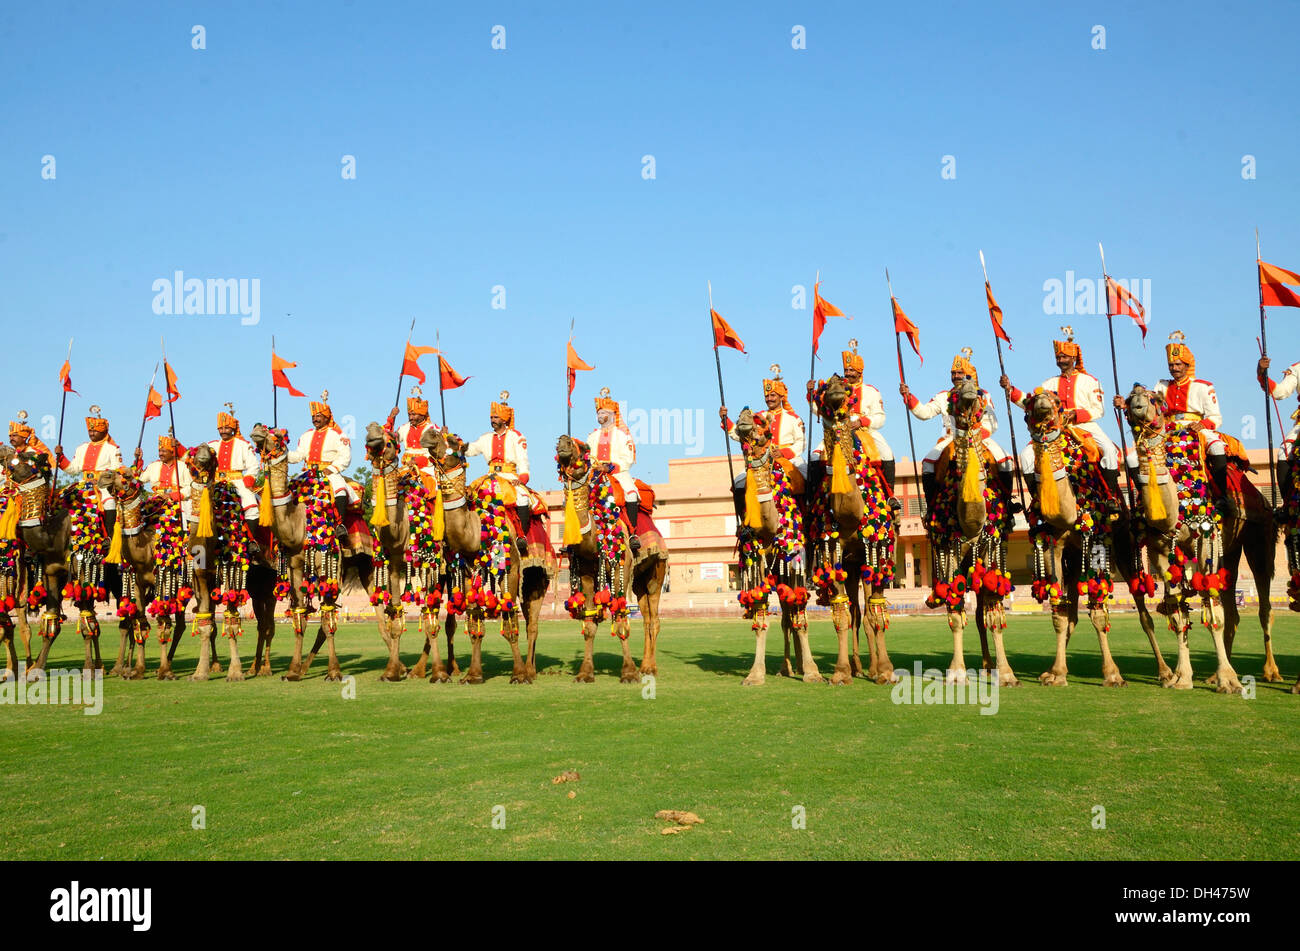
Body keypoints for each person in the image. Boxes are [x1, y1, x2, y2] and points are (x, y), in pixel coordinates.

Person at [1000, 327, 1122, 506]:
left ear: (1073, 358)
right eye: (1058, 357)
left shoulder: (1090, 381)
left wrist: (1075, 414)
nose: (1061, 360)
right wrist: (1010, 389)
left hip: (1085, 426)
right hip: (1054, 429)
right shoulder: (1049, 383)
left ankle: (1111, 497)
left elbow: (1098, 409)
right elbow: (1030, 403)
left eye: (1064, 357)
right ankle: (1037, 500)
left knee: (1110, 451)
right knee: (1026, 456)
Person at [899, 349, 1014, 511]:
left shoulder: (983, 395)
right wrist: (909, 397)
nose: (956, 377)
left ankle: (1007, 502)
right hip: (950, 439)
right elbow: (925, 413)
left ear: (968, 375)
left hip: (979, 437)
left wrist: (976, 435)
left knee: (1005, 460)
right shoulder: (943, 396)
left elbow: (992, 422)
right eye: (953, 373)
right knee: (927, 464)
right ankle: (931, 506)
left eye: (960, 373)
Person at [719, 363, 806, 519]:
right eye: (766, 396)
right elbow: (742, 436)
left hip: (789, 458)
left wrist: (783, 453)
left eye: (772, 395)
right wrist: (726, 420)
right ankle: (744, 521)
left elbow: (801, 443)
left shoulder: (793, 418)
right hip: (761, 458)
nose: (769, 399)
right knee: (738, 483)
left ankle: (808, 521)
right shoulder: (757, 417)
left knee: (808, 479)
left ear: (781, 396)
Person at [466, 391, 537, 553]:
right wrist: (459, 445)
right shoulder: (486, 438)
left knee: (522, 497)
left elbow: (523, 460)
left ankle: (521, 536)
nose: (492, 420)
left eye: (496, 417)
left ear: (504, 419)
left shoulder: (516, 436)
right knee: (471, 496)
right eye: (491, 417)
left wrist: (522, 477)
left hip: (510, 476)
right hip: (490, 476)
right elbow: (472, 449)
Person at [288, 391, 357, 541]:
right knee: (290, 488)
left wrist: (331, 469)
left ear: (327, 417)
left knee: (340, 489)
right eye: (313, 416)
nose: (315, 419)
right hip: (309, 473)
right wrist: (282, 453)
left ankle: (340, 525)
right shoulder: (306, 435)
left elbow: (345, 457)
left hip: (330, 471)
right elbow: (299, 455)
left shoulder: (338, 434)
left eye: (318, 416)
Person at [588, 387, 642, 553]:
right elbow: (588, 457)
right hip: (596, 474)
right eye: (598, 412)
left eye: (603, 412)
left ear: (612, 415)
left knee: (631, 493)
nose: (600, 415)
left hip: (618, 473)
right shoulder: (592, 436)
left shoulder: (622, 435)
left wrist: (611, 466)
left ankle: (633, 533)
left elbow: (628, 457)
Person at [55, 405, 124, 524]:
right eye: (90, 431)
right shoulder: (81, 448)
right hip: (84, 483)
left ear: (104, 432)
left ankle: (110, 537)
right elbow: (72, 469)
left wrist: (101, 479)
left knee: (109, 502)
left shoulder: (112, 449)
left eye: (95, 431)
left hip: (103, 486)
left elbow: (116, 470)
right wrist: (61, 456)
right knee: (61, 497)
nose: (92, 433)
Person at [201, 406, 262, 530]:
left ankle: (251, 541)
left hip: (237, 481)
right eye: (221, 428)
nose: (223, 431)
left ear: (233, 429)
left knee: (251, 505)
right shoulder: (212, 445)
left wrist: (249, 478)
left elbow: (253, 464)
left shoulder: (243, 445)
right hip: (215, 481)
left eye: (226, 428)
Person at [133, 432, 193, 519]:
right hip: (156, 506)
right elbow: (138, 480)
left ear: (172, 452)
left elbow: (190, 487)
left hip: (179, 506)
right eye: (159, 451)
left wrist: (172, 496)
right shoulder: (153, 466)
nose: (160, 454)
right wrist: (138, 460)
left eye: (164, 451)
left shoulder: (183, 466)